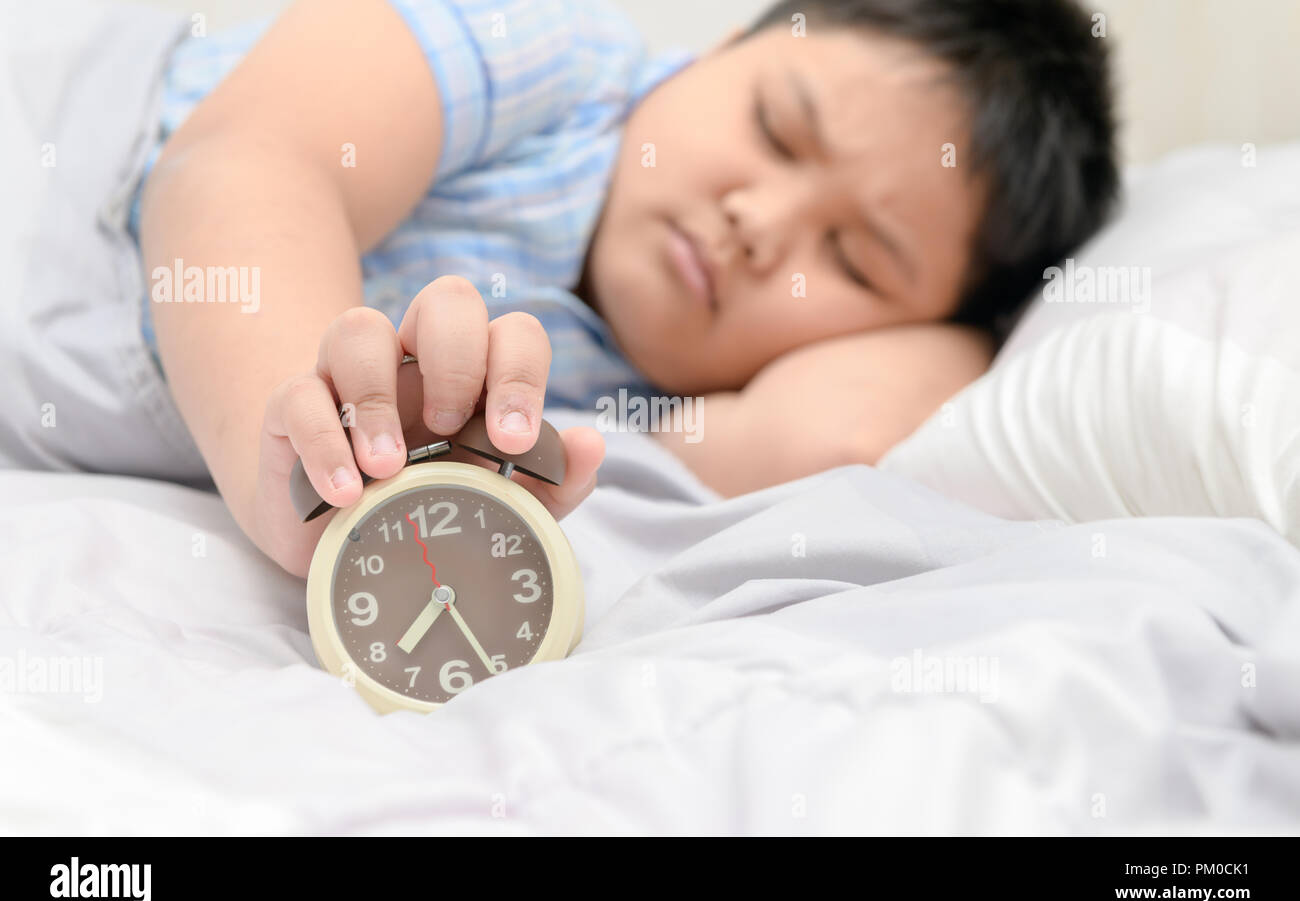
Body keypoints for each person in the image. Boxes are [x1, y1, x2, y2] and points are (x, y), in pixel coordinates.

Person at [126, 0, 1114, 576]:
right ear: (714, 55)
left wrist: (972, 336)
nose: (758, 223)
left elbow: (845, 436)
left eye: (855, 261)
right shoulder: (535, 49)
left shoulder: (649, 411)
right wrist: (309, 464)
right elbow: (245, 165)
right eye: (775, 128)